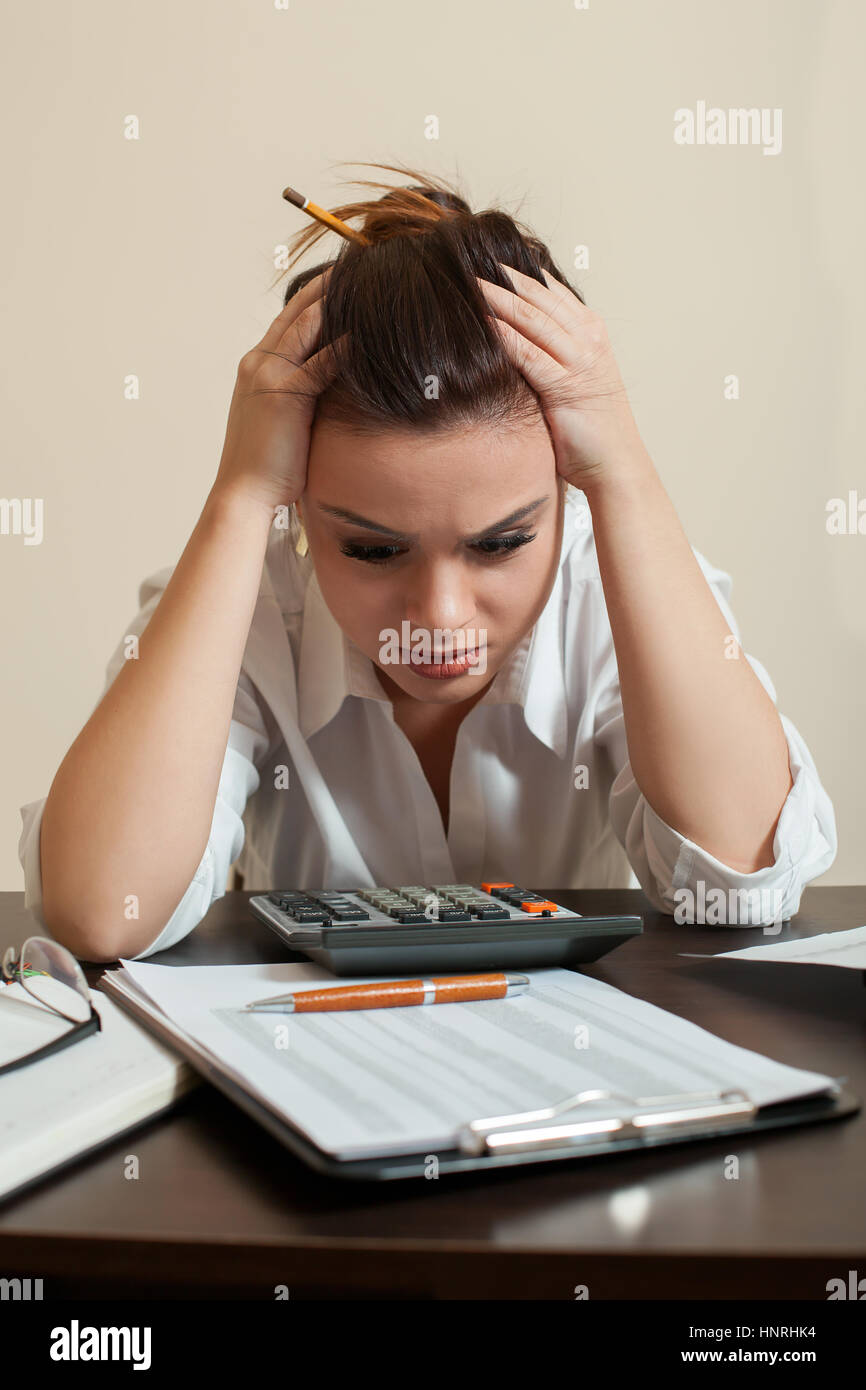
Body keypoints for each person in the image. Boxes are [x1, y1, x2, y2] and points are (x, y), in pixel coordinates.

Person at [18, 162, 837, 962]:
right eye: (373, 549)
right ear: (298, 503)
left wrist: (623, 468)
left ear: (568, 494)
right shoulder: (252, 599)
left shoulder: (614, 583)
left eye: (501, 543)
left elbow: (744, 882)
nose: (440, 617)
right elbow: (101, 912)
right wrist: (239, 492)